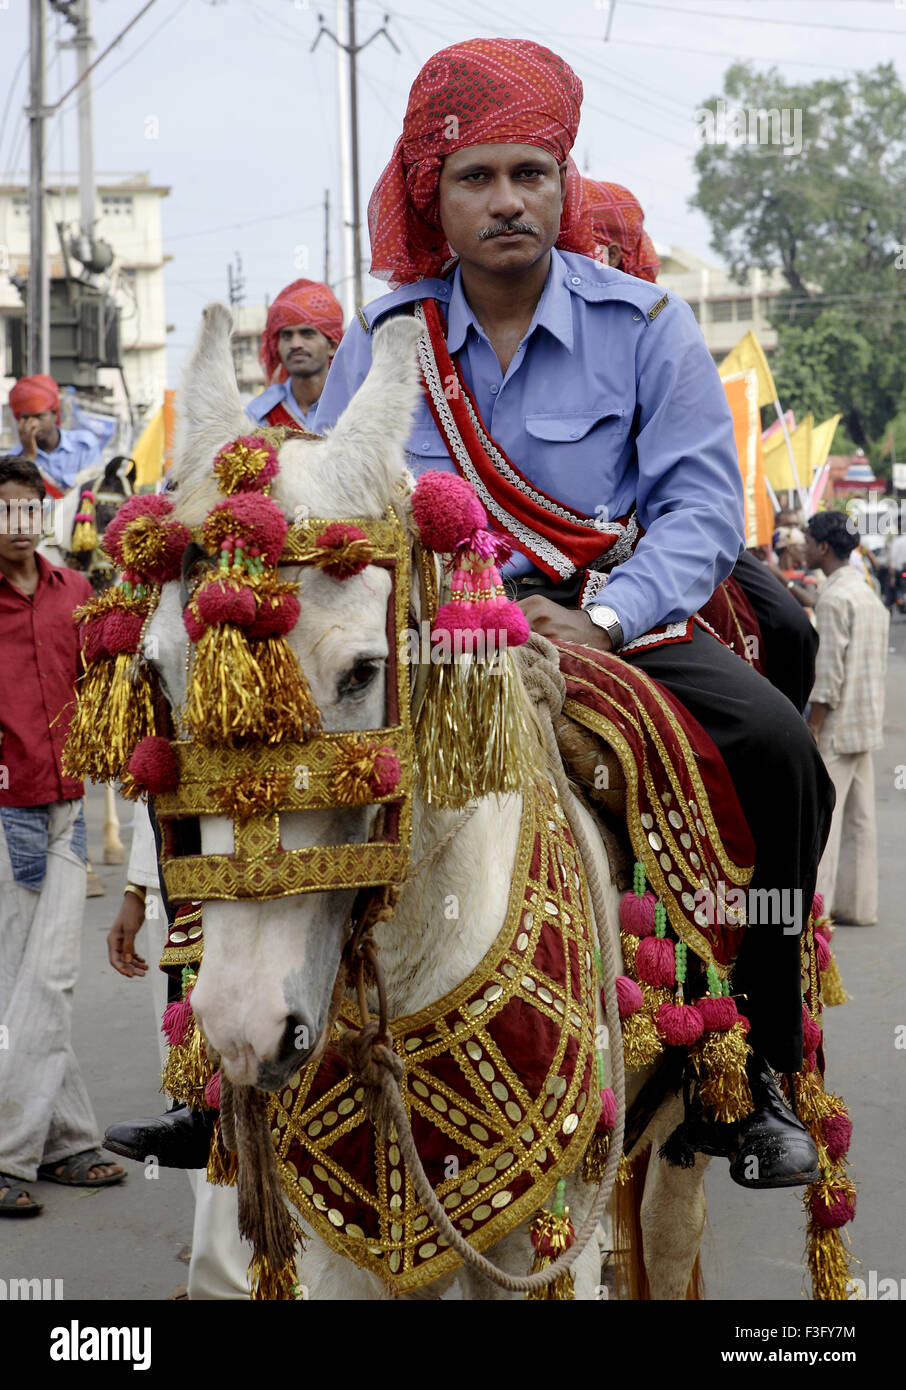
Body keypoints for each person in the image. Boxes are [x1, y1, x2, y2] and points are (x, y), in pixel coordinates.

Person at [315, 37, 833, 1188]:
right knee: (254, 753)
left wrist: (601, 621)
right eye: (476, 178)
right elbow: (337, 511)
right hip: (429, 632)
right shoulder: (382, 339)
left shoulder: (649, 325)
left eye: (530, 173)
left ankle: (754, 1071)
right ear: (432, 198)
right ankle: (239, 1056)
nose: (507, 201)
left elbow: (702, 514)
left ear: (563, 181)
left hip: (605, 623)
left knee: (781, 749)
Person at [0, 455, 125, 1215]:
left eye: (26, 510)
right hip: (8, 811)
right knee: (37, 982)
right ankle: (30, 1148)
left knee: (35, 982)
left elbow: (102, 689)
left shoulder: (75, 592)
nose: (17, 526)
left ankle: (58, 1141)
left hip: (70, 808)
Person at [805, 512, 889, 925]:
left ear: (822, 547)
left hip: (837, 723)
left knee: (828, 820)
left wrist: (814, 724)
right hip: (867, 719)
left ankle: (816, 911)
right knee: (860, 818)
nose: (803, 547)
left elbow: (829, 675)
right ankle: (858, 907)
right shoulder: (865, 592)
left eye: (808, 540)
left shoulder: (836, 599)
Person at [245, 279, 344, 433]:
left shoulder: (351, 405)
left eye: (307, 334)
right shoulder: (259, 415)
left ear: (332, 347)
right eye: (287, 335)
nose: (295, 344)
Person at [7, 374, 102, 492]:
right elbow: (18, 499)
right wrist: (28, 457)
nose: (33, 424)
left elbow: (93, 490)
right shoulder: (12, 459)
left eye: (39, 416)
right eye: (26, 418)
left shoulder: (84, 446)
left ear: (54, 414)